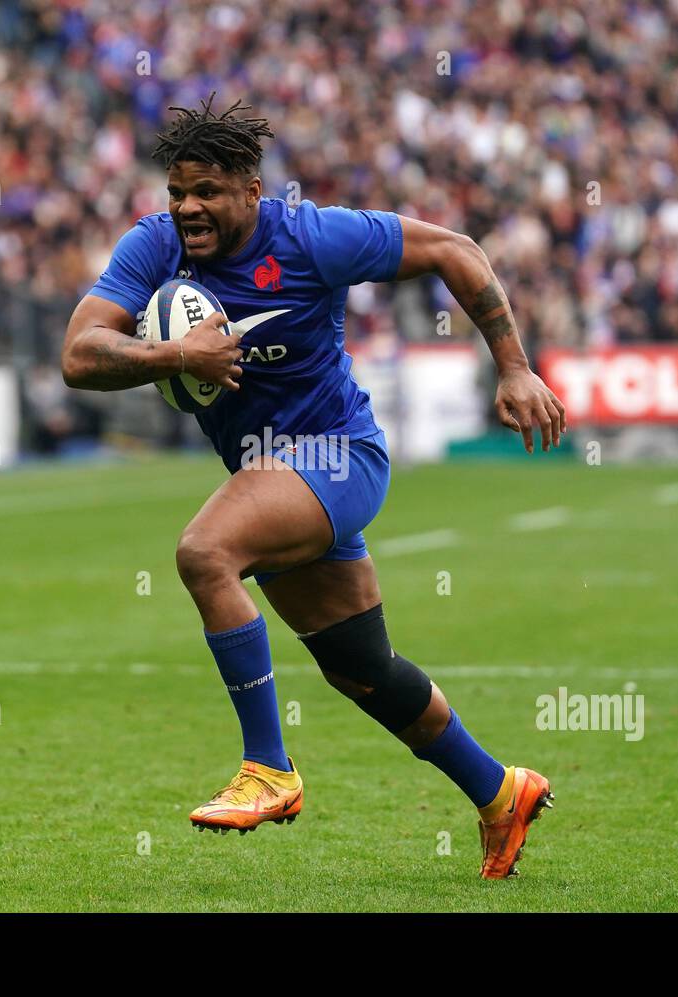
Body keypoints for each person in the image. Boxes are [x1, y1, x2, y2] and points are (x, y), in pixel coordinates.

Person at [60, 97, 566, 879]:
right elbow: (79, 354)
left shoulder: (312, 236)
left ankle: (269, 768)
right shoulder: (155, 247)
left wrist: (512, 364)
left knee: (204, 553)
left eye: (207, 192)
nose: (188, 208)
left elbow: (455, 249)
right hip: (269, 476)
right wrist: (173, 358)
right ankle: (501, 792)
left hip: (338, 456)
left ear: (251, 191)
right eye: (177, 193)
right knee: (363, 670)